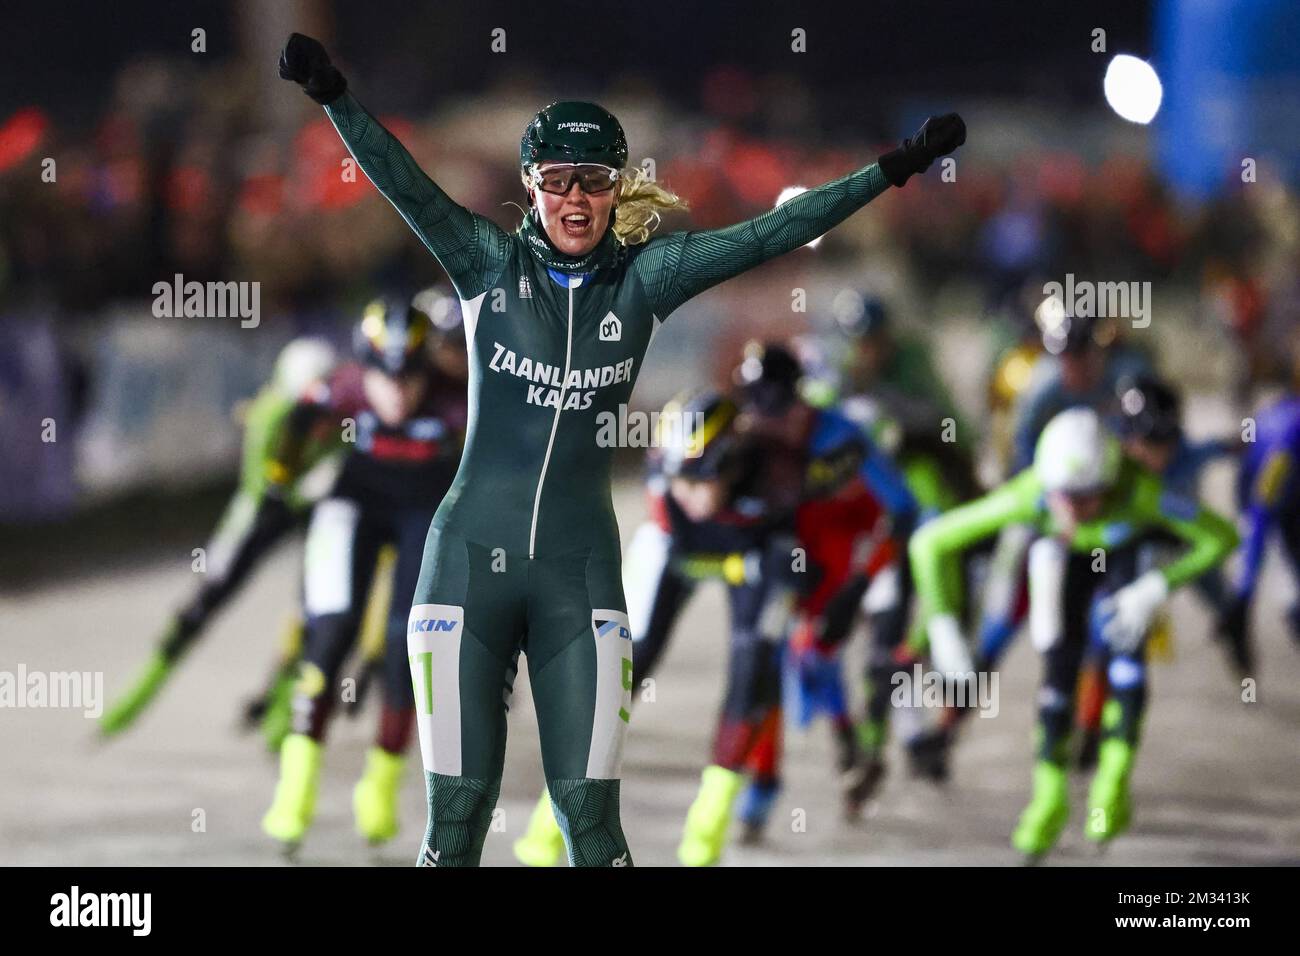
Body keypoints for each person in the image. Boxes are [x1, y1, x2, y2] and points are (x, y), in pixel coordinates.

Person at [279, 30, 965, 867]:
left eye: (594, 181)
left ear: (617, 187)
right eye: (557, 181)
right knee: (454, 828)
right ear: (529, 185)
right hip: (464, 565)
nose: (575, 199)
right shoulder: (485, 265)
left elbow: (775, 234)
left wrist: (896, 166)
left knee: (594, 832)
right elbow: (406, 187)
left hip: (579, 575)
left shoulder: (650, 278)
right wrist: (334, 98)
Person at [909, 408, 1237, 860]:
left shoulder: (1139, 489)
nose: (1076, 509)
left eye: (1088, 497)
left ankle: (1113, 777)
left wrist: (1158, 585)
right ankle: (1048, 797)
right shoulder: (1034, 492)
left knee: (1124, 646)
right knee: (1057, 663)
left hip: (1121, 566)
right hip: (1061, 562)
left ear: (1110, 480)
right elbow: (928, 543)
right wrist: (942, 626)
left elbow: (1221, 538)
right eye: (1066, 497)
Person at [262, 296, 467, 849]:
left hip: (422, 515)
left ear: (428, 369)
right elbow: (295, 422)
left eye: (409, 378)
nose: (396, 391)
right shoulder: (345, 385)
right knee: (330, 635)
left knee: (409, 642)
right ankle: (295, 787)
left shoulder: (457, 402)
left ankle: (379, 785)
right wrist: (278, 483)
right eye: (383, 376)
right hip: (354, 505)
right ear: (364, 369)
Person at [99, 337, 340, 737]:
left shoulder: (330, 412)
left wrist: (328, 477)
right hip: (262, 510)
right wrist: (312, 483)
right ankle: (141, 688)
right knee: (208, 597)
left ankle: (282, 707)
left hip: (311, 509)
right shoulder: (271, 413)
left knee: (316, 604)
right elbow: (268, 486)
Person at [1221, 391, 1300, 653]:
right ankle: (1236, 619)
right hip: (1264, 502)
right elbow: (1261, 510)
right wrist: (1244, 594)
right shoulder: (1288, 435)